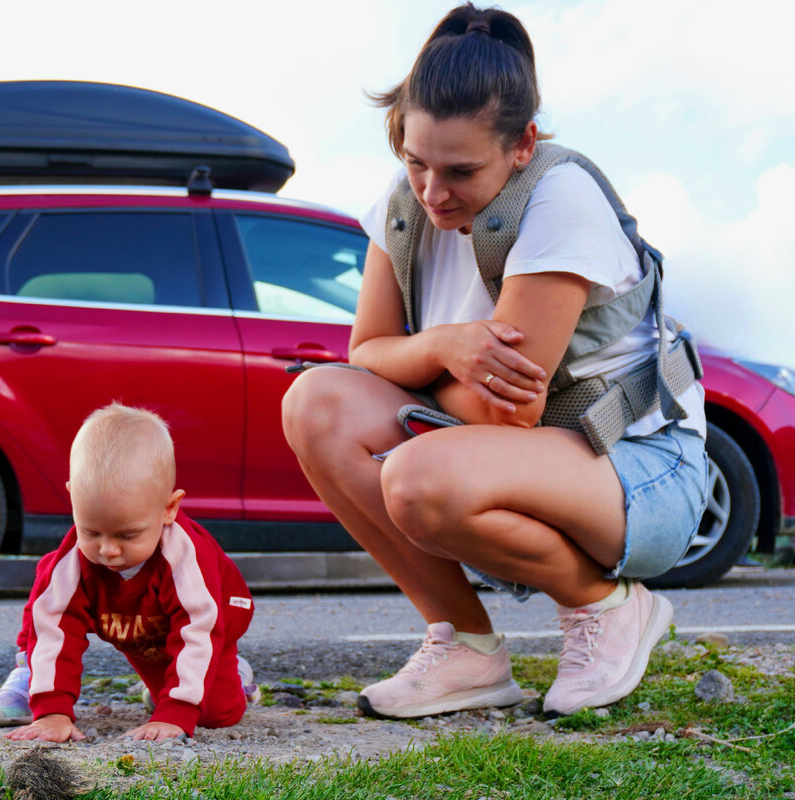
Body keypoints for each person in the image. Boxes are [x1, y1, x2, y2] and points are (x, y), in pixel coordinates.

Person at [283, 2, 708, 719]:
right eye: (415, 162)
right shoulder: (405, 205)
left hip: (641, 467)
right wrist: (443, 346)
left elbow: (506, 409)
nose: (433, 192)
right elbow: (366, 352)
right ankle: (466, 651)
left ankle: (608, 608)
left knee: (417, 476)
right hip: (512, 454)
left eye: (460, 171)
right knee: (315, 403)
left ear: (522, 145)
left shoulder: (560, 197)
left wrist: (408, 381)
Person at [0, 402, 258, 743]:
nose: (108, 550)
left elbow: (198, 633)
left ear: (169, 509)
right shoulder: (74, 563)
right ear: (73, 500)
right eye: (91, 532)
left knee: (217, 714)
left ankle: (230, 674)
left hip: (204, 627)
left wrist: (174, 713)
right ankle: (29, 673)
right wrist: (53, 713)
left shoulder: (187, 561)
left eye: (127, 535)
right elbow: (55, 628)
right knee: (50, 584)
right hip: (131, 624)